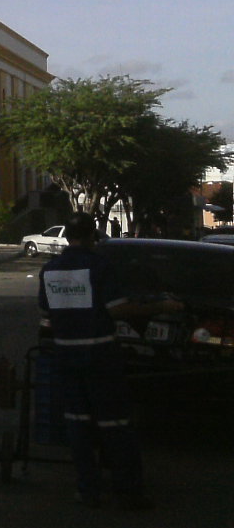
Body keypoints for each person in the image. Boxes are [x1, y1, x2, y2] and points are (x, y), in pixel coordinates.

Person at [38, 212, 182, 510]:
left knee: (78, 426)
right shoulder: (99, 266)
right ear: (93, 236)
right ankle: (127, 492)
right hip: (99, 357)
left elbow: (47, 311)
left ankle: (87, 490)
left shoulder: (49, 269)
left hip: (66, 356)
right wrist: (161, 306)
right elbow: (117, 310)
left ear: (67, 237)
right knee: (115, 424)